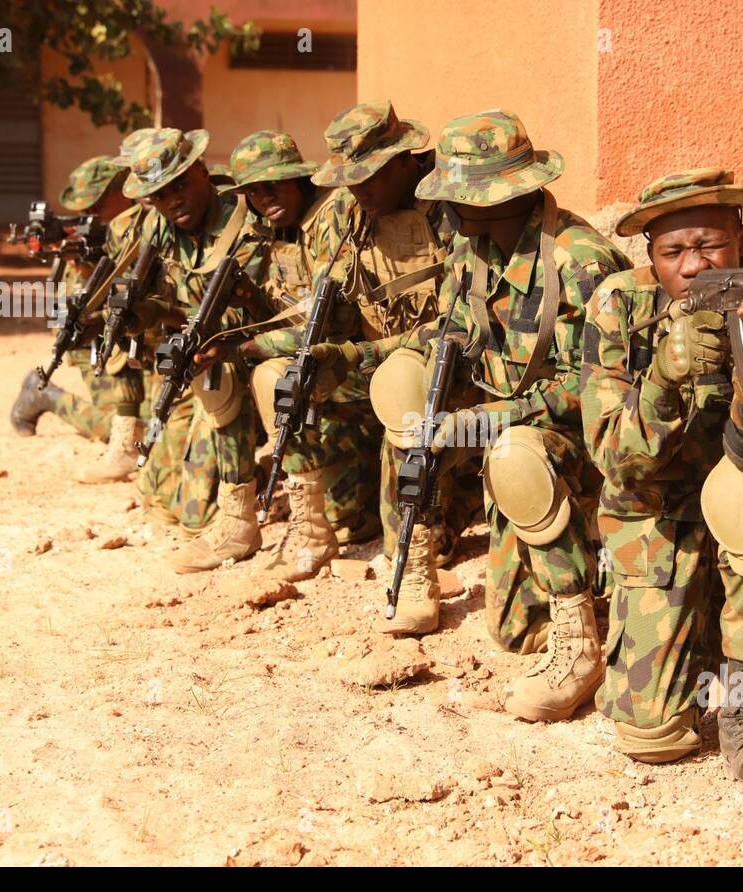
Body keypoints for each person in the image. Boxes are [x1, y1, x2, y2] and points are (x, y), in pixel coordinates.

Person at [310, 110, 630, 727]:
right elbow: (445, 334)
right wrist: (352, 359)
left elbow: (598, 393)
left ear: (502, 197)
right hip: (501, 431)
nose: (445, 210)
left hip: (572, 450)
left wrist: (486, 421)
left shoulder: (581, 261)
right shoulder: (473, 250)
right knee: (512, 630)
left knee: (511, 448)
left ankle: (582, 639)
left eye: (457, 197)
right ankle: (416, 561)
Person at [579, 167, 743, 794]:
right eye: (673, 252)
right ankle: (692, 638)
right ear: (650, 255)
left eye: (710, 246)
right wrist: (666, 374)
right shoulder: (619, 306)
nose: (693, 266)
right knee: (652, 736)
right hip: (654, 506)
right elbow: (613, 455)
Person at [239, 102, 482, 605]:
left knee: (399, 379)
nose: (358, 188)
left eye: (369, 175)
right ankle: (310, 529)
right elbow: (337, 301)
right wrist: (308, 350)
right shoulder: (353, 213)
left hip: (452, 374)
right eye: (349, 178)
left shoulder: (448, 207)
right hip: (374, 361)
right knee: (282, 378)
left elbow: (460, 324)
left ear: (404, 160)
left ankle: (416, 548)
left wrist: (361, 353)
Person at [226, 129, 381, 583]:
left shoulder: (329, 217)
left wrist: (254, 347)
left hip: (361, 360)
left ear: (298, 179)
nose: (263, 197)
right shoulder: (280, 230)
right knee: (351, 511)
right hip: (332, 371)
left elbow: (330, 324)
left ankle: (311, 534)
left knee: (275, 378)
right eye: (254, 191)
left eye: (273, 185)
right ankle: (310, 516)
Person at [120, 128, 270, 572]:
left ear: (203, 170)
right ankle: (249, 479)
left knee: (194, 518)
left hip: (256, 355)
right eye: (160, 196)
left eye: (181, 186)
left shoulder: (246, 218)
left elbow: (276, 305)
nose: (173, 202)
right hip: (200, 361)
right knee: (164, 502)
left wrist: (224, 341)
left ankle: (240, 518)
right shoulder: (163, 227)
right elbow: (170, 299)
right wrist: (141, 314)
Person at [9, 154, 148, 485]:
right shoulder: (88, 238)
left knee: (155, 427)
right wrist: (84, 264)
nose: (90, 213)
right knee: (119, 428)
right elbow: (77, 316)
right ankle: (45, 395)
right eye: (86, 206)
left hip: (137, 345)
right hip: (96, 343)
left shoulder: (141, 224)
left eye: (98, 203)